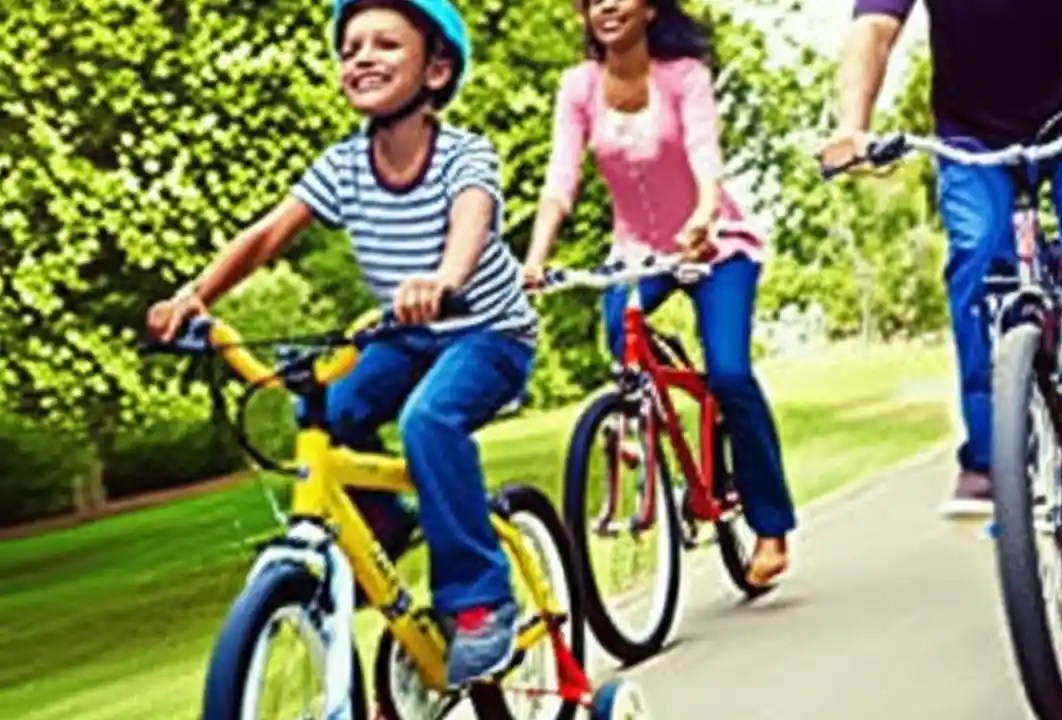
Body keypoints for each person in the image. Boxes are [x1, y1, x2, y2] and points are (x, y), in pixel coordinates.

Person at [145, 0, 539, 686]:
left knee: (429, 421)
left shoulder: (464, 155)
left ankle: (480, 602)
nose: (361, 57)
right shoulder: (344, 166)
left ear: (436, 69)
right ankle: (384, 523)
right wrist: (194, 297)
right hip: (407, 336)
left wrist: (444, 279)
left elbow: (471, 224)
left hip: (487, 333)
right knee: (327, 408)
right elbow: (266, 236)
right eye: (350, 47)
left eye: (385, 44)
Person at [820, 0, 1062, 518]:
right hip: (973, 138)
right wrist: (851, 126)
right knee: (980, 255)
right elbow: (873, 29)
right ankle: (991, 458)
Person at [522, 0, 797, 587]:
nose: (606, 6)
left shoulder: (684, 77)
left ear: (649, 8)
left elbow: (705, 157)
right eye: (592, 0)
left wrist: (703, 216)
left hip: (714, 245)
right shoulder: (579, 87)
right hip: (637, 251)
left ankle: (770, 526)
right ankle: (638, 423)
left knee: (729, 375)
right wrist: (536, 258)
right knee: (619, 335)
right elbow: (560, 179)